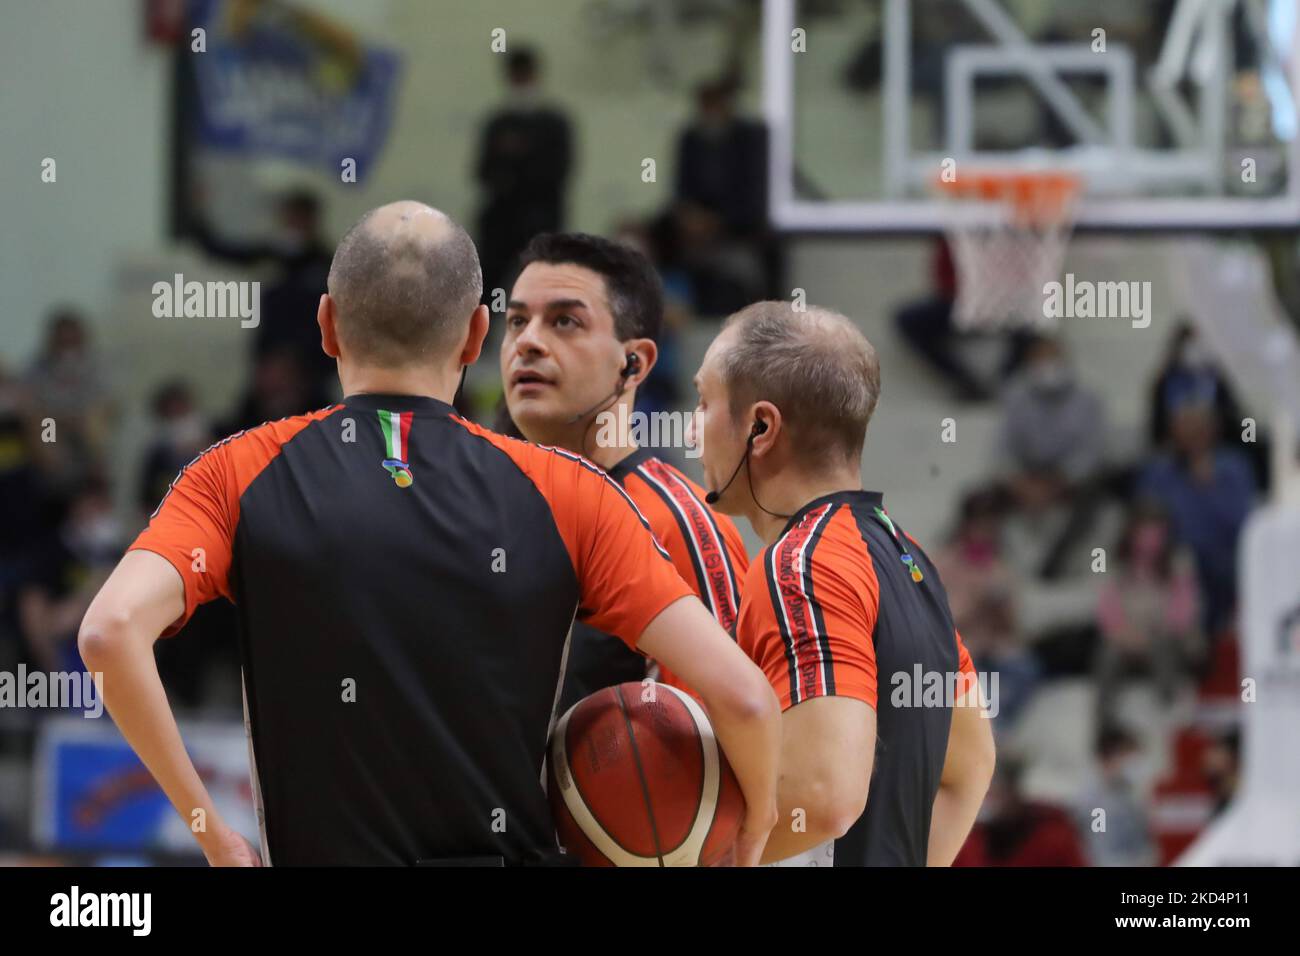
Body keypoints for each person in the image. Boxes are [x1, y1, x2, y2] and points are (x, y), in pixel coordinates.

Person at [78, 201, 780, 867]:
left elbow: (108, 633)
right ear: (476, 335)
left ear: (327, 326)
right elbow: (746, 698)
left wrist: (212, 833)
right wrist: (754, 824)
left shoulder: (236, 472)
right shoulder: (575, 494)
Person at [690, 300, 995, 865]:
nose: (693, 428)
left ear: (760, 428)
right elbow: (969, 766)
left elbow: (824, 796)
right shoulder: (907, 555)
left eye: (705, 402)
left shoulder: (801, 563)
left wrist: (688, 859)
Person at [500, 232, 749, 708]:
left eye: (565, 321)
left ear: (634, 363)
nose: (527, 342)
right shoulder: (484, 509)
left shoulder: (674, 521)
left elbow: (734, 718)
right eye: (516, 321)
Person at [474, 47, 573, 300]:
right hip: (499, 227)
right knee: (487, 293)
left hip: (540, 223)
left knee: (540, 295)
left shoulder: (554, 124)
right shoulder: (498, 123)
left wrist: (517, 159)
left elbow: (558, 172)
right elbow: (483, 172)